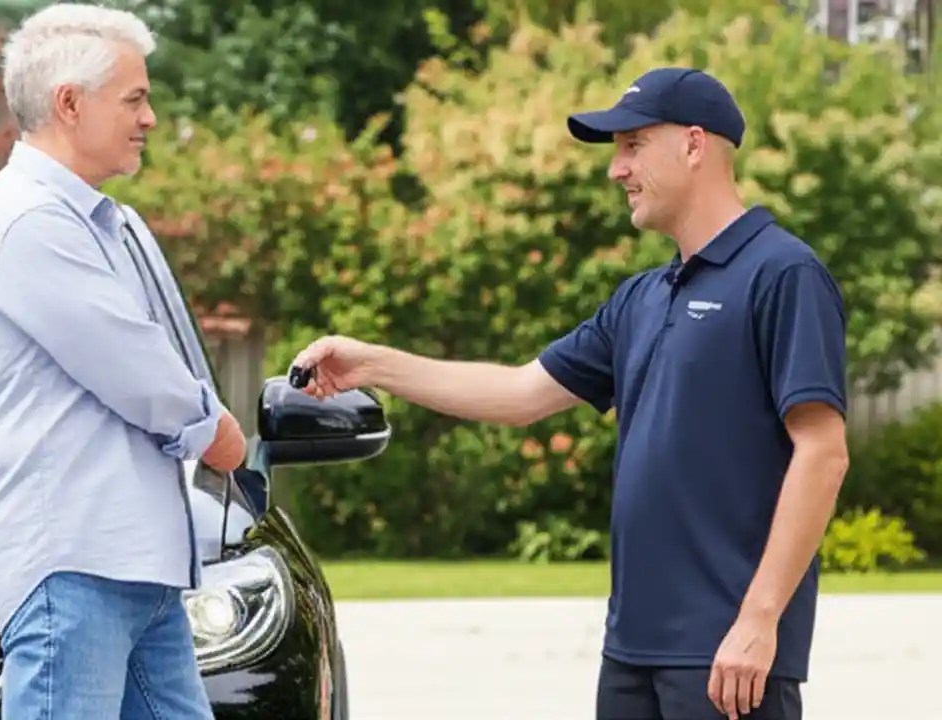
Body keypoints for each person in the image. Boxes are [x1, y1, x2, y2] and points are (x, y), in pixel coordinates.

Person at [291, 67, 848, 720]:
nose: (617, 169)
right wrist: (370, 363)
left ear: (694, 145)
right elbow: (520, 391)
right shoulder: (641, 299)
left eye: (632, 145)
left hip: (728, 657)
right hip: (632, 652)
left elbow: (822, 451)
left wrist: (759, 621)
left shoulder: (784, 274)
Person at [0, 4, 245, 718]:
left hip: (130, 567)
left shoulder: (96, 220)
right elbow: (134, 364)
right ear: (70, 103)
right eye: (135, 99)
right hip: (73, 566)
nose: (149, 117)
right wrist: (216, 432)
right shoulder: (28, 220)